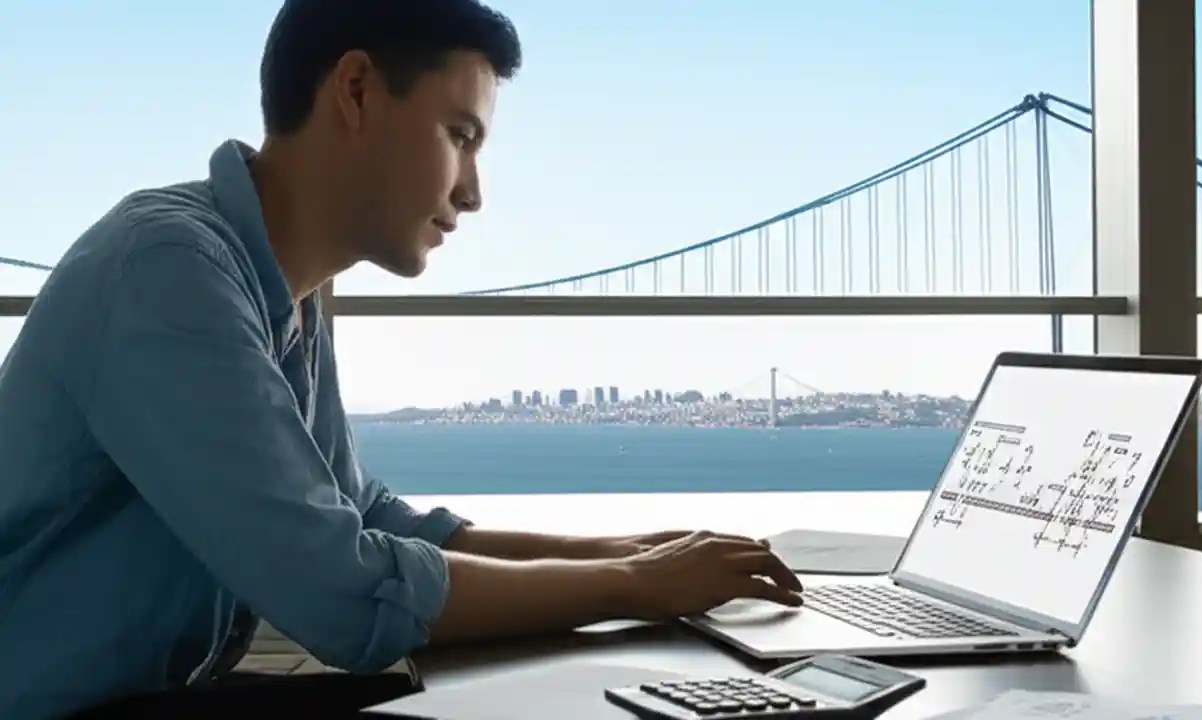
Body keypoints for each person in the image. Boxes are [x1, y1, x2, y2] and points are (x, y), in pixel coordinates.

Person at [0, 0, 804, 717]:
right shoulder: (168, 270)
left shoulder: (285, 290)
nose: (474, 191)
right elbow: (343, 595)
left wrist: (627, 553)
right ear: (355, 91)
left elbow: (367, 519)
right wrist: (633, 588)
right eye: (461, 136)